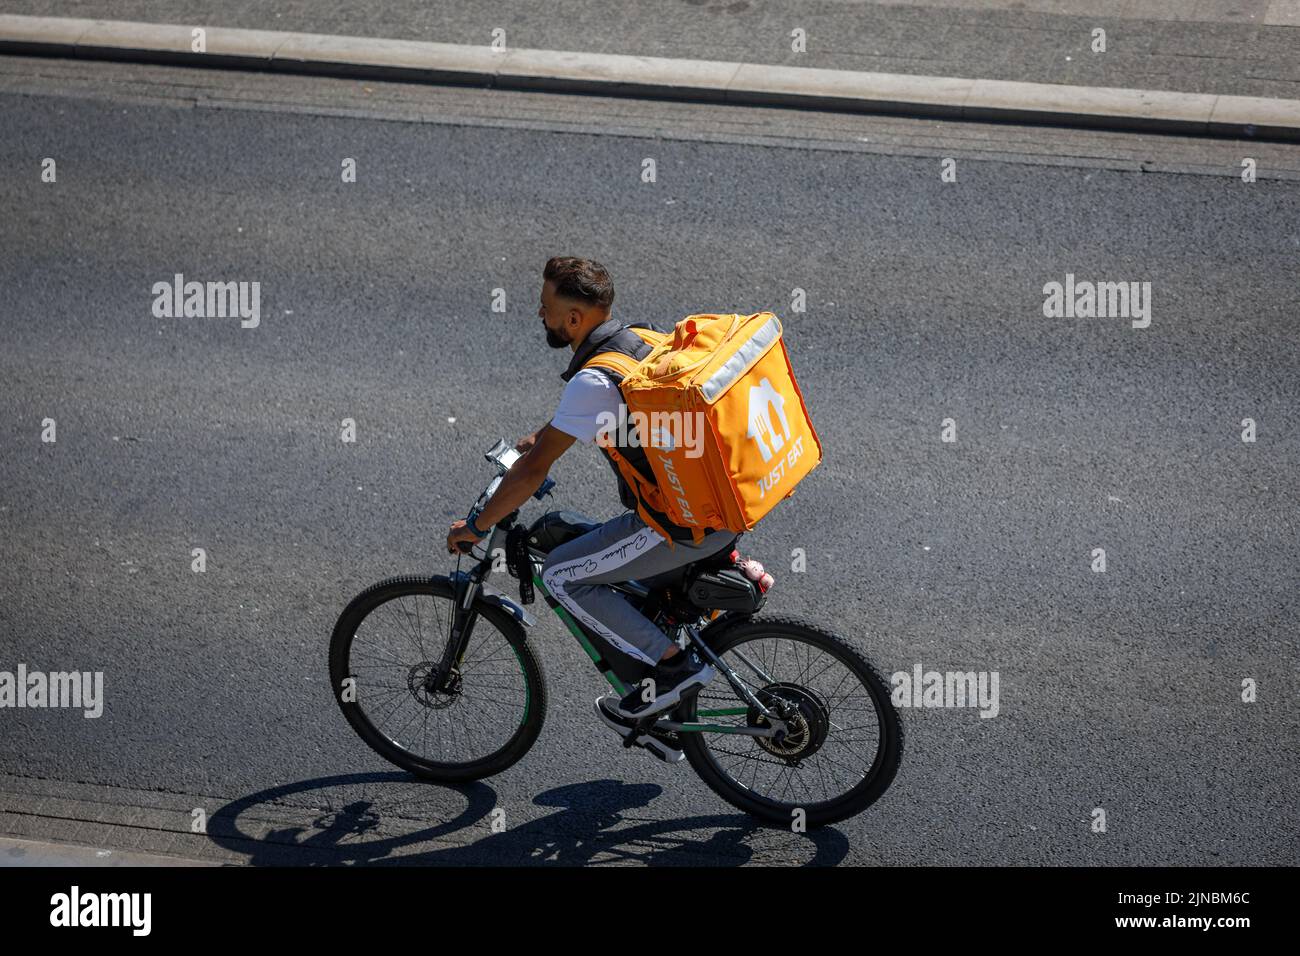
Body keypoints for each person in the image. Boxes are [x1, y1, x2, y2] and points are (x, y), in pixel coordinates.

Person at [445, 257, 736, 755]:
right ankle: (659, 706)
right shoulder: (639, 340)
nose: (540, 314)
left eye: (546, 307)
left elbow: (533, 471)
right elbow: (594, 415)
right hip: (719, 506)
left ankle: (672, 672)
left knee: (562, 574)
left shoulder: (592, 381)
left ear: (575, 319)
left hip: (677, 525)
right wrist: (542, 436)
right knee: (571, 536)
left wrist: (477, 525)